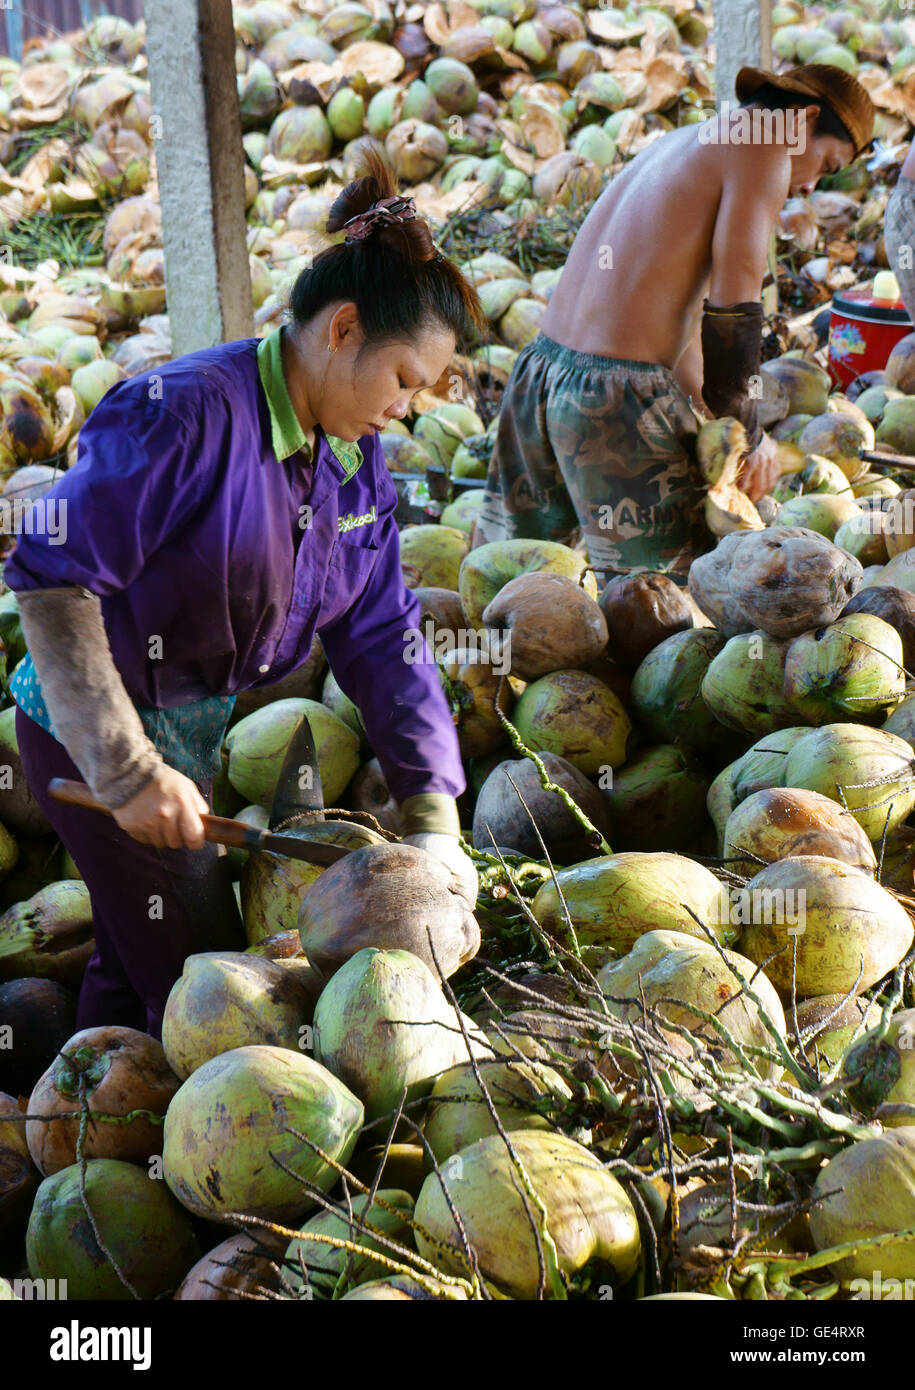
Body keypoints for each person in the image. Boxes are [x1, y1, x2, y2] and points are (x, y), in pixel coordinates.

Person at [2, 152, 485, 1040]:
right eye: (407, 380)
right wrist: (122, 768)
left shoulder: (350, 454)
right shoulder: (182, 415)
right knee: (211, 981)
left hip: (191, 724)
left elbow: (381, 632)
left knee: (135, 945)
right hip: (87, 726)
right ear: (344, 330)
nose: (408, 409)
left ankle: (80, 1120)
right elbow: (50, 571)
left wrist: (431, 810)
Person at [474, 64, 875, 580]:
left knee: (507, 585)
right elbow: (735, 308)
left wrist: (713, 418)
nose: (810, 184)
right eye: (826, 162)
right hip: (614, 404)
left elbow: (678, 319)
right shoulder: (766, 149)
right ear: (805, 119)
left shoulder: (690, 140)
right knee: (658, 608)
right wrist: (749, 433)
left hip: (542, 374)